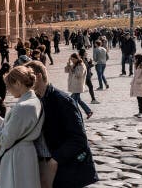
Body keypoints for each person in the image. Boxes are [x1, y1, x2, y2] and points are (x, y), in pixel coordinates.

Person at [24, 60, 98, 188]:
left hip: (62, 165)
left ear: (39, 76)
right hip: (42, 162)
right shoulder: (35, 100)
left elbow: (79, 138)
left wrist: (55, 160)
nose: (25, 83)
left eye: (27, 78)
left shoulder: (62, 100)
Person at [0, 66, 43, 188]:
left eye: (8, 87)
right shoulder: (33, 100)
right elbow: (15, 128)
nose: (8, 90)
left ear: (18, 83)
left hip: (16, 157)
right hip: (24, 153)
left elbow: (6, 140)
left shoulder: (23, 106)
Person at [64, 53, 92, 119]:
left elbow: (79, 74)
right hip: (74, 84)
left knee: (73, 101)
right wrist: (68, 65)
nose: (72, 60)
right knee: (78, 100)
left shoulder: (81, 65)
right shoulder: (74, 64)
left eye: (73, 59)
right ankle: (88, 111)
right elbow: (66, 71)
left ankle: (77, 115)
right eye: (71, 59)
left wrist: (72, 69)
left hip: (78, 85)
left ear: (77, 58)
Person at [130, 53, 142, 118]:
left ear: (138, 59)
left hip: (141, 85)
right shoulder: (136, 65)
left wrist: (138, 81)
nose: (133, 59)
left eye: (135, 58)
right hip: (136, 84)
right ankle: (140, 112)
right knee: (138, 98)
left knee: (141, 98)